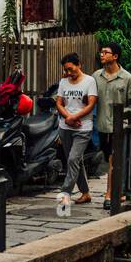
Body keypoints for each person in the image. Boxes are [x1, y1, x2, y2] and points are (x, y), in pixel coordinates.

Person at [93, 42, 131, 210]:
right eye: (101, 52)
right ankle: (119, 191)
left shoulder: (127, 78)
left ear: (115, 56)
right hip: (101, 126)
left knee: (114, 161)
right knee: (109, 161)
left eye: (106, 52)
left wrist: (123, 116)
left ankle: (110, 194)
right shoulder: (96, 76)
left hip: (119, 127)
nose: (102, 55)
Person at [55, 53, 98, 207]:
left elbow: (91, 104)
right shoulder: (63, 82)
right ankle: (85, 193)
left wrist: (74, 117)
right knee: (75, 161)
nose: (68, 73)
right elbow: (59, 103)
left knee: (73, 159)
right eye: (66, 70)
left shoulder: (89, 81)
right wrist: (68, 117)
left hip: (83, 128)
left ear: (79, 65)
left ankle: (65, 193)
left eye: (71, 69)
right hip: (65, 127)